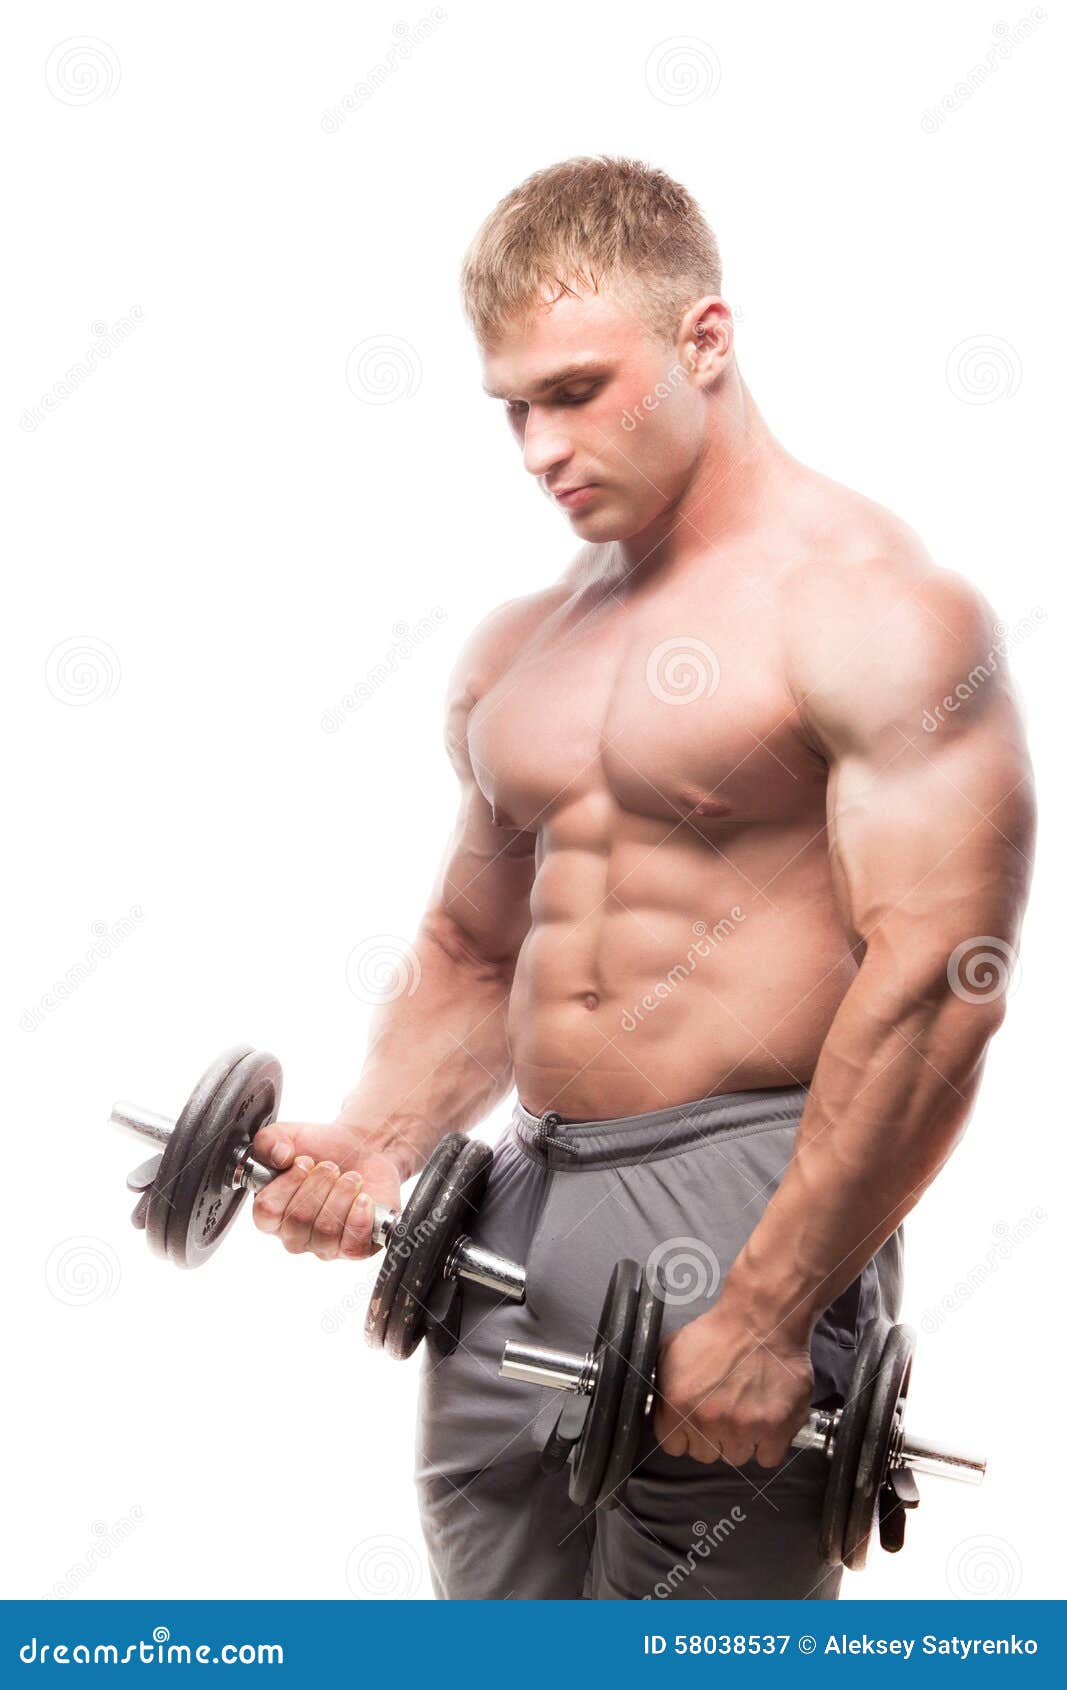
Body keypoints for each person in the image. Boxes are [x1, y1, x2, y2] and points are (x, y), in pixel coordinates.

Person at [251, 156, 1034, 1598]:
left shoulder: (875, 608)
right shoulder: (525, 646)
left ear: (706, 341)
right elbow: (478, 950)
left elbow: (935, 980)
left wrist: (776, 1301)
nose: (541, 445)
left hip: (743, 1190)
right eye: (514, 407)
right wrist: (379, 1139)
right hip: (516, 1201)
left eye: (576, 388)